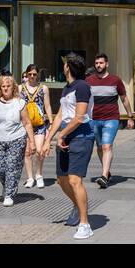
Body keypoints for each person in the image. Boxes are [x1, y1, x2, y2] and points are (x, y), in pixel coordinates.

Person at [42, 53, 95, 240]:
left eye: (65, 64)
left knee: (74, 180)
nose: (63, 67)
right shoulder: (67, 88)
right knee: (61, 179)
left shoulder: (82, 87)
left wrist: (62, 135)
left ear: (69, 67)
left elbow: (80, 117)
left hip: (81, 136)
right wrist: (49, 138)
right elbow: (59, 116)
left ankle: (85, 224)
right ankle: (77, 206)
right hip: (65, 135)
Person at [0, 72, 35, 205]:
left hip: (16, 139)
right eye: (3, 86)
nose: (5, 88)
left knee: (12, 167)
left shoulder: (20, 103)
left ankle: (9, 195)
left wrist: (32, 142)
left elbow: (27, 123)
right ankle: (9, 185)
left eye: (8, 86)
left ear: (13, 88)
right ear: (0, 88)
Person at [86, 52, 135, 187]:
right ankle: (107, 172)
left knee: (107, 146)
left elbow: (124, 99)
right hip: (93, 119)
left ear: (107, 64)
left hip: (111, 118)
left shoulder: (115, 80)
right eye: (96, 63)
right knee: (100, 147)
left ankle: (103, 176)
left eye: (101, 63)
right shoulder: (89, 81)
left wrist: (130, 116)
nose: (98, 65)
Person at [19, 65, 53, 187]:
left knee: (39, 151)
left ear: (37, 74)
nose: (32, 76)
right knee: (27, 152)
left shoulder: (43, 88)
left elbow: (47, 105)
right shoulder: (20, 88)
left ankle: (39, 174)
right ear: (26, 74)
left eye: (34, 74)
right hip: (25, 125)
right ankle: (30, 178)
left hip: (39, 124)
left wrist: (51, 122)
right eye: (30, 74)